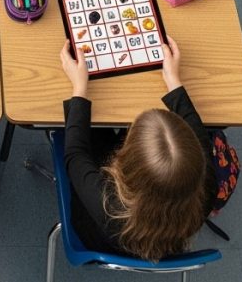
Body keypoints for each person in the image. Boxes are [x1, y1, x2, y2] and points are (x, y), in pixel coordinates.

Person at [59, 36, 218, 262]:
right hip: (168, 247)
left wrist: (79, 87)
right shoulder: (207, 187)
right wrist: (173, 80)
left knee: (91, 130)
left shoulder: (108, 205)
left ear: (123, 160)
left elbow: (75, 155)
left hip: (96, 236)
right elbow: (200, 136)